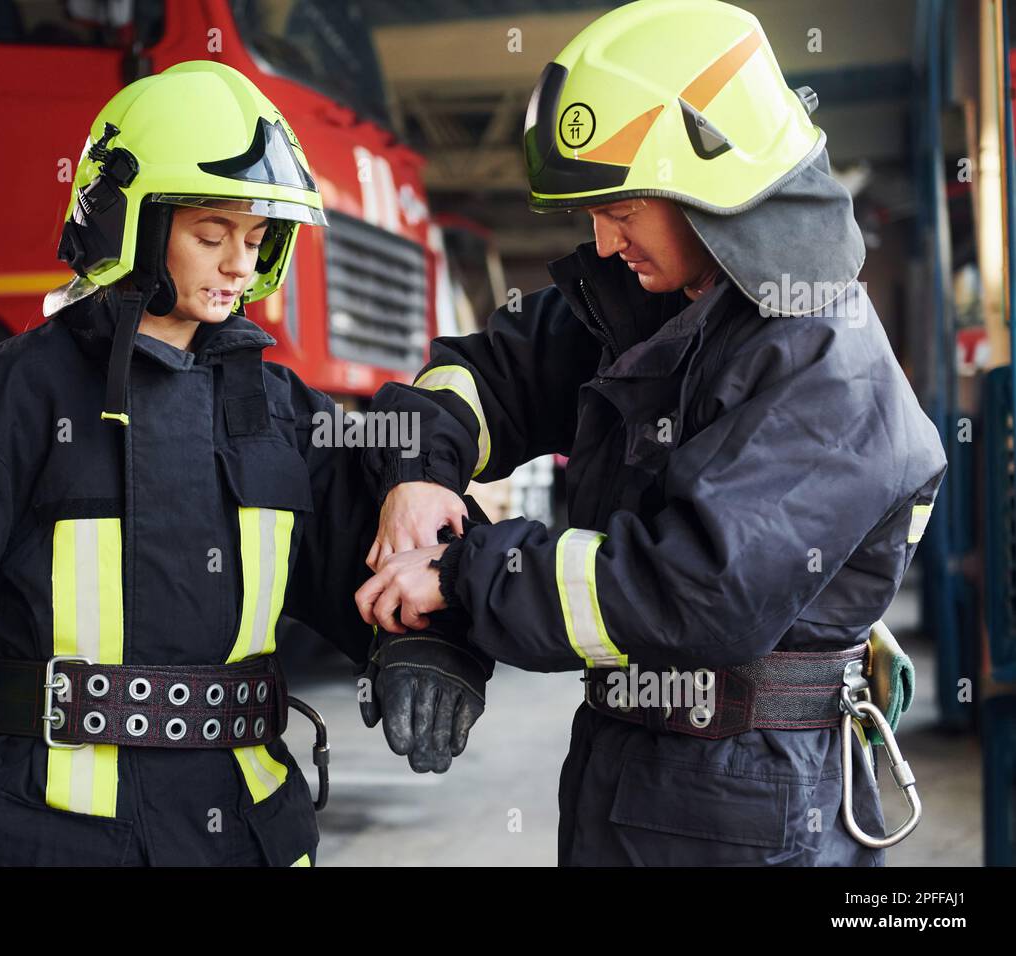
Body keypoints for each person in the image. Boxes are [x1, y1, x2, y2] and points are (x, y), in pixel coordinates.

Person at [0, 60, 487, 867]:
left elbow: (378, 561)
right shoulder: (0, 405)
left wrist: (428, 646)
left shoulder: (286, 412)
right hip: (50, 836)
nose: (238, 264)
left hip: (254, 836)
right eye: (211, 234)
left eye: (257, 239)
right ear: (127, 219)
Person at [355, 0, 947, 865]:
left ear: (712, 182)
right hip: (625, 773)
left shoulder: (828, 361)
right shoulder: (652, 307)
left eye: (622, 206)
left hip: (757, 802)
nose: (602, 239)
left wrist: (462, 577)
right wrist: (420, 473)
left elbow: (696, 591)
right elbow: (483, 377)